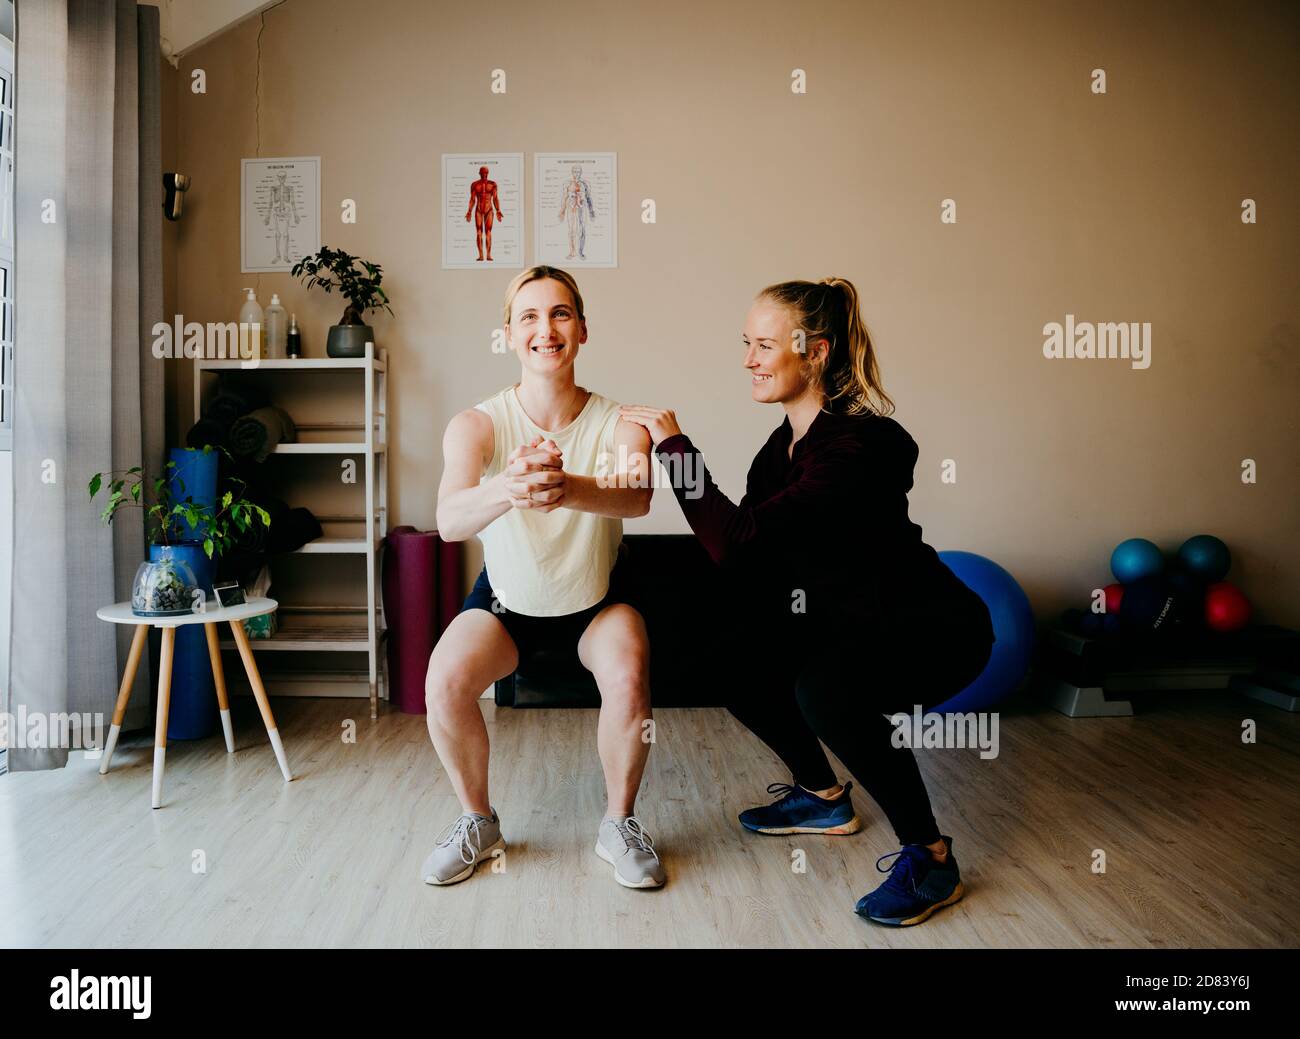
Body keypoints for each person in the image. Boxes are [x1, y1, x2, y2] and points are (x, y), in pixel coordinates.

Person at [620, 277, 995, 926]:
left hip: (931, 628)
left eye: (764, 345)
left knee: (827, 691)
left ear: (815, 352)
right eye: (747, 343)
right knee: (729, 656)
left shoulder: (859, 447)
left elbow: (736, 543)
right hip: (845, 618)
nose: (748, 359)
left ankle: (931, 857)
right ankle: (823, 796)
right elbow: (750, 554)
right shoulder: (780, 450)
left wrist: (675, 449)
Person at [422, 265, 666, 891]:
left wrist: (566, 487)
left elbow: (637, 497)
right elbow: (449, 521)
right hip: (508, 605)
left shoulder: (621, 424)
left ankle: (619, 823)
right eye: (528, 316)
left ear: (582, 329)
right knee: (445, 680)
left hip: (596, 601)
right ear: (508, 334)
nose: (545, 329)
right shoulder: (477, 425)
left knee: (629, 673)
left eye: (560, 314)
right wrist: (510, 483)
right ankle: (478, 820)